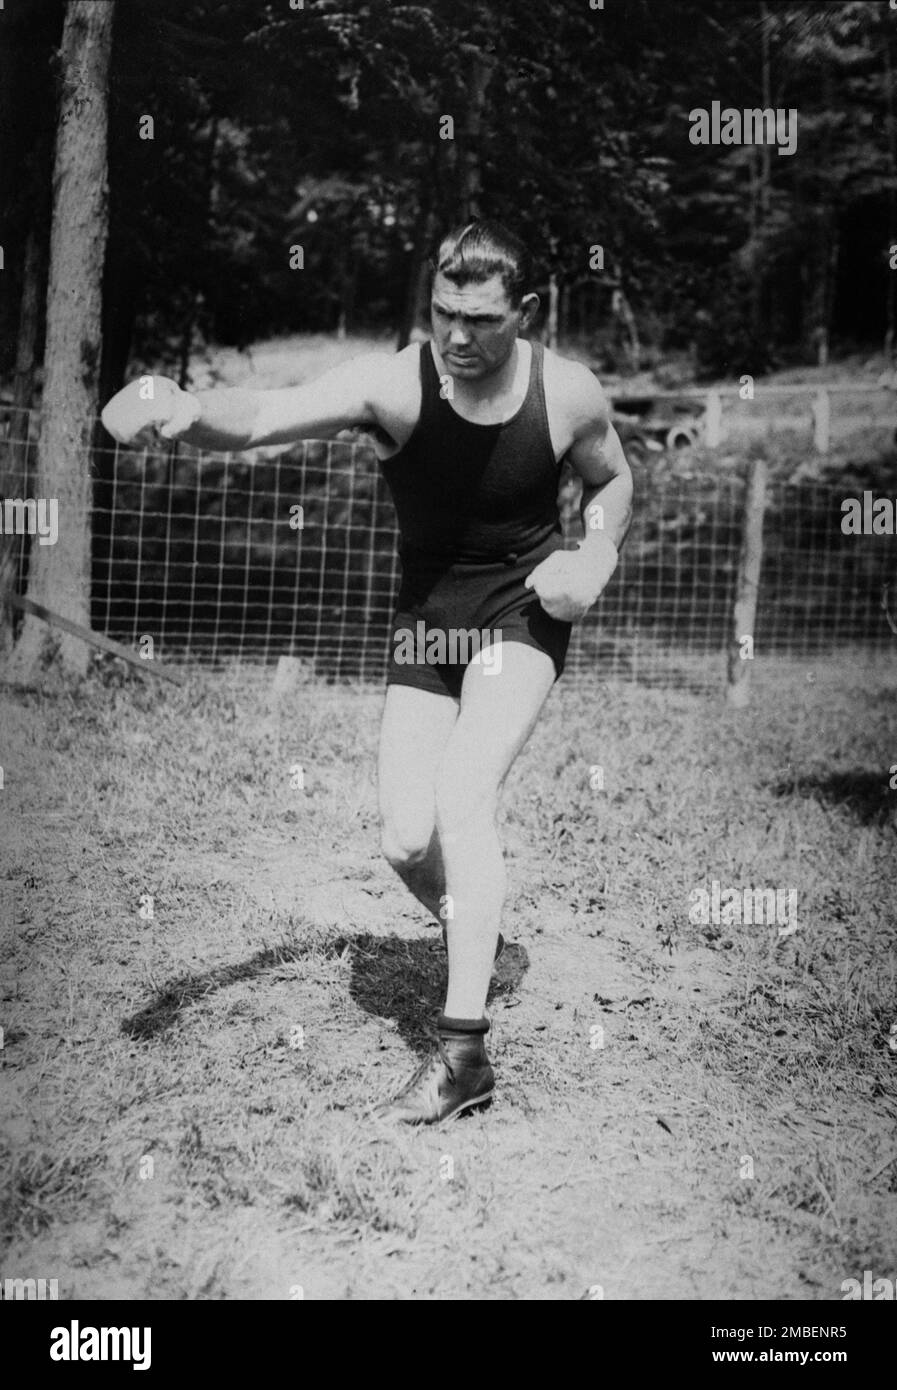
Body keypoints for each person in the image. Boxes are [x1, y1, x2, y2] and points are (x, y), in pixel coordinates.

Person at [102, 220, 634, 1125]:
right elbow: (269, 413)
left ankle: (463, 1052)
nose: (457, 338)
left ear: (526, 312)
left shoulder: (567, 392)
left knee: (465, 799)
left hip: (522, 612)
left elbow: (612, 481)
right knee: (403, 840)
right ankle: (477, 931)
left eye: (480, 320)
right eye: (442, 315)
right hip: (429, 625)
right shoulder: (396, 385)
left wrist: (592, 558)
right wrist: (188, 410)